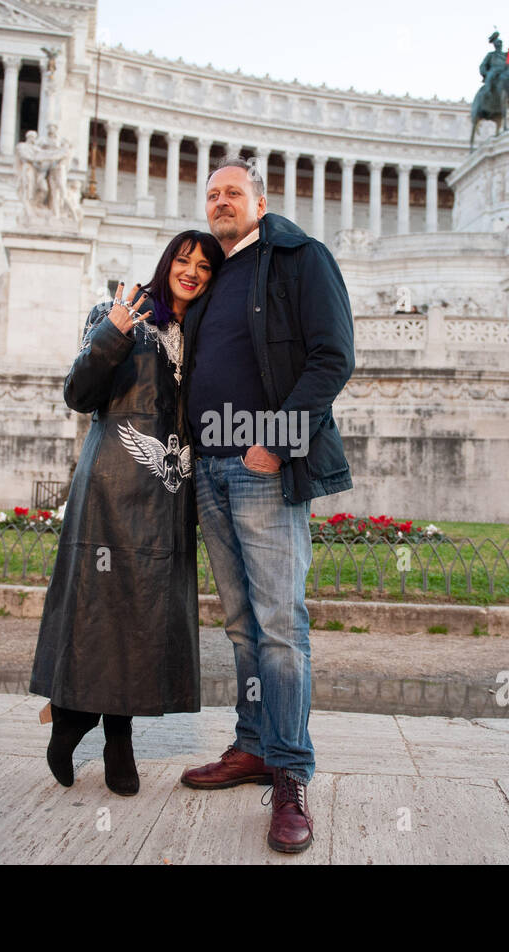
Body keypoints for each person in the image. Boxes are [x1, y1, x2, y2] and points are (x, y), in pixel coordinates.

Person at [179, 158, 355, 853]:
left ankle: (290, 774)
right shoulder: (215, 274)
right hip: (209, 469)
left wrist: (274, 444)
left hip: (260, 466)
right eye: (212, 194)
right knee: (242, 626)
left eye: (232, 192)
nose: (221, 202)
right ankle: (252, 743)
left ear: (260, 199)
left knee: (280, 626)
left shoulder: (299, 257)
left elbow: (333, 357)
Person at [30, 230, 224, 796]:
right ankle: (101, 733)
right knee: (102, 610)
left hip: (169, 492)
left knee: (146, 618)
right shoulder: (121, 312)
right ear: (166, 264)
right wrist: (112, 329)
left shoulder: (204, 333)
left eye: (204, 266)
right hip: (112, 485)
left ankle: (87, 724)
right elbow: (78, 393)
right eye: (182, 260)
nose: (191, 271)